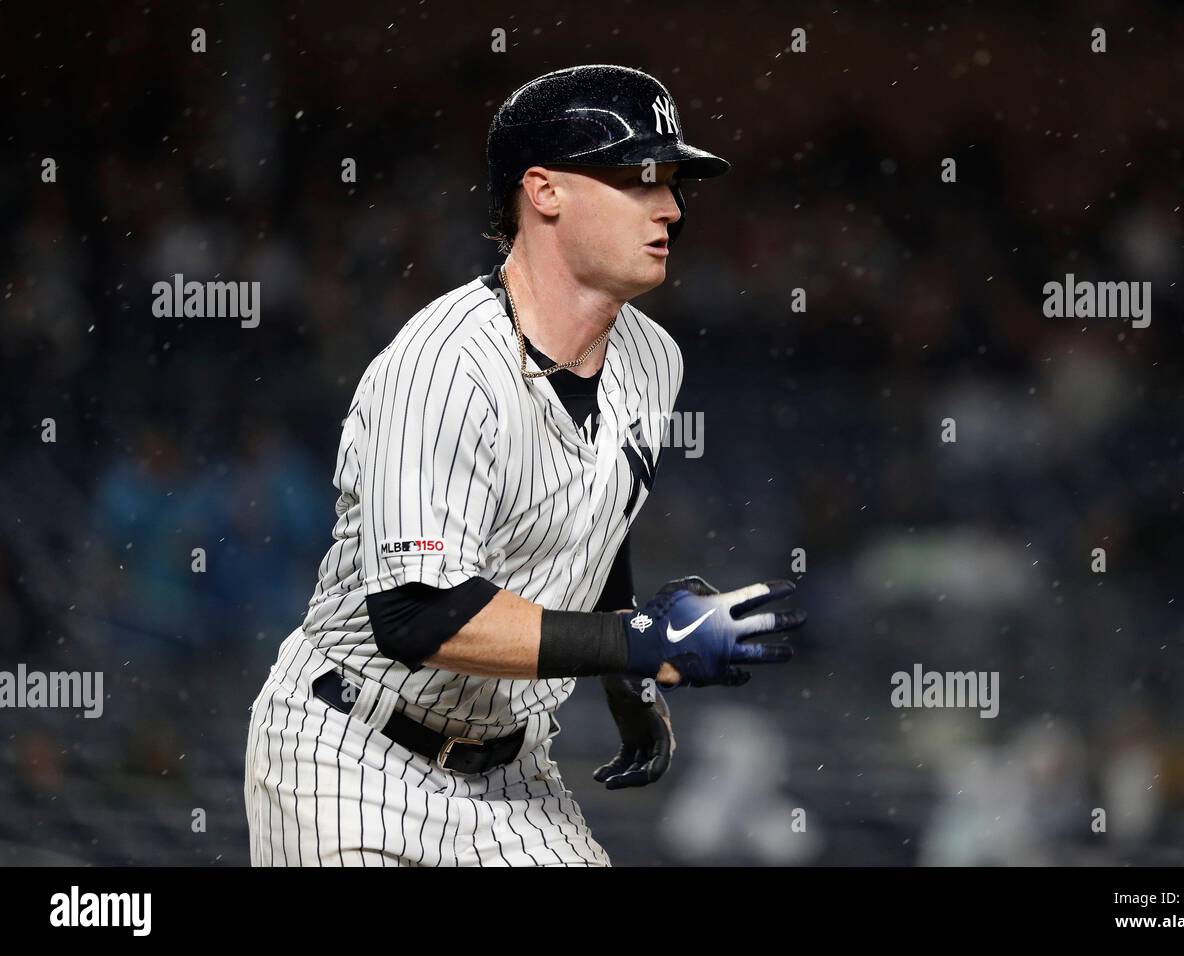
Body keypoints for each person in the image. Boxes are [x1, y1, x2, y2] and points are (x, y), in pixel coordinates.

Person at [243, 64, 804, 867]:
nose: (672, 208)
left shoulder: (655, 359)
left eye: (673, 184)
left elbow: (598, 526)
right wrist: (636, 642)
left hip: (512, 777)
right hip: (349, 752)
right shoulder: (444, 364)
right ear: (544, 192)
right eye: (640, 179)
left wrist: (630, 680)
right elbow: (419, 616)